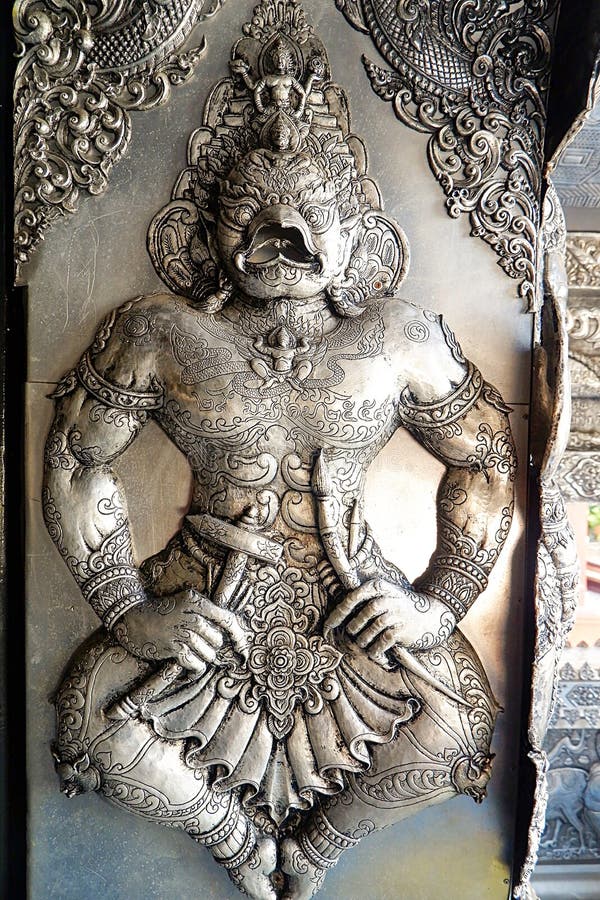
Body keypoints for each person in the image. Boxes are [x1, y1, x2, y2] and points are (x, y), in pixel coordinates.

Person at [44, 5, 516, 898]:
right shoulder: (160, 332)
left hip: (356, 613)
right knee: (88, 720)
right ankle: (234, 840)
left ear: (355, 237)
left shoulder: (399, 337)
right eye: (245, 212)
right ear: (211, 234)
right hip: (201, 612)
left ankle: (316, 849)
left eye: (310, 212)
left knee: (461, 725)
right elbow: (76, 460)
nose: (278, 225)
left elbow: (489, 458)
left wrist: (439, 604)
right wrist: (125, 609)